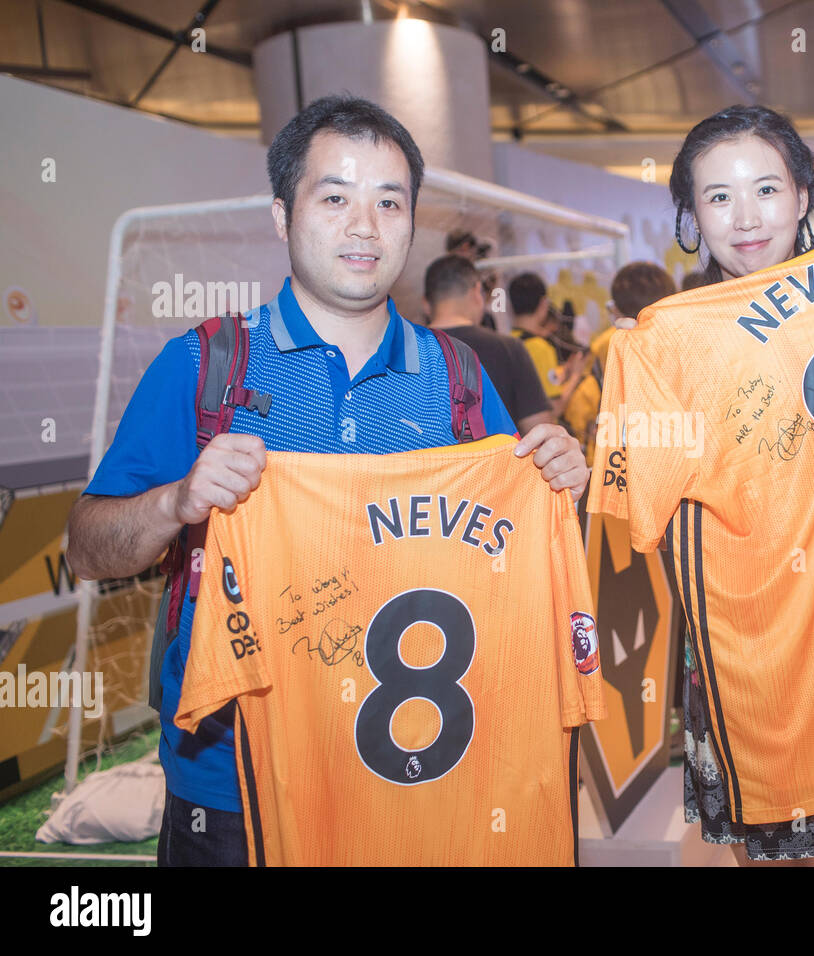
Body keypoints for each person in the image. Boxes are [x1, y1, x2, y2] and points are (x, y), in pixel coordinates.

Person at [63, 95, 591, 866]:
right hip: (231, 787)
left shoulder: (458, 379)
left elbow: (509, 563)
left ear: (412, 221)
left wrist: (556, 478)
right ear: (283, 216)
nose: (364, 226)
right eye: (335, 197)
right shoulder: (207, 366)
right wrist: (177, 503)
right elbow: (88, 549)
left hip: (416, 772)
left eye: (389, 201)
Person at [591, 104, 814, 867]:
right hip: (745, 649)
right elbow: (637, 509)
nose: (746, 216)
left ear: (802, 196)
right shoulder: (663, 341)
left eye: (766, 188)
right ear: (691, 215)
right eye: (718, 196)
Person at [422, 253, 554, 433]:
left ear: (425, 304)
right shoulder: (509, 349)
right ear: (477, 292)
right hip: (499, 460)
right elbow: (540, 430)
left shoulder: (406, 352)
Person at [564, 262, 676, 464]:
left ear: (616, 308)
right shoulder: (681, 339)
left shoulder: (606, 344)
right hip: (671, 454)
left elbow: (583, 403)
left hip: (614, 458)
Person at [509, 272, 580, 414]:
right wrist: (575, 376)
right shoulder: (541, 348)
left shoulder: (505, 343)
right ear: (543, 304)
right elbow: (554, 408)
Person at [445, 229, 500, 330]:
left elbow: (487, 297)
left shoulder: (479, 272)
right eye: (462, 250)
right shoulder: (444, 276)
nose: (467, 256)